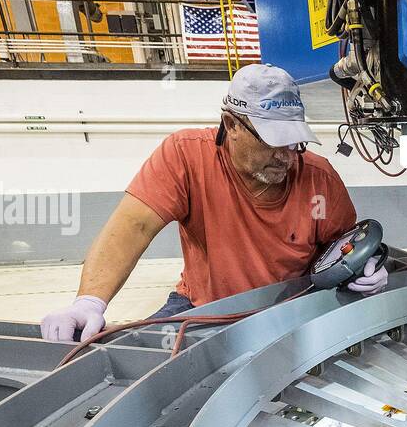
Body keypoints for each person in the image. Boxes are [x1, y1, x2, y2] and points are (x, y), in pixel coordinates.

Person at [41, 64, 387, 341]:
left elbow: (343, 247)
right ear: (231, 125)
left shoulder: (318, 179)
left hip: (288, 307)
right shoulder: (186, 156)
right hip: (203, 306)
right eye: (273, 142)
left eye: (294, 142)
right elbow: (133, 227)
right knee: (137, 365)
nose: (286, 156)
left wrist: (364, 269)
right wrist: (90, 301)